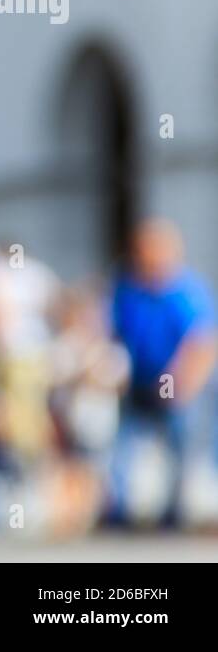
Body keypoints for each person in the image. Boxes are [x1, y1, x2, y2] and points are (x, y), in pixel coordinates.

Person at [106, 218, 218, 526]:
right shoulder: (126, 287)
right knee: (122, 445)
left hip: (178, 383)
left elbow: (202, 342)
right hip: (139, 383)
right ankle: (119, 510)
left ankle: (177, 512)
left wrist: (178, 385)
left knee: (181, 446)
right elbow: (114, 333)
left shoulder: (186, 292)